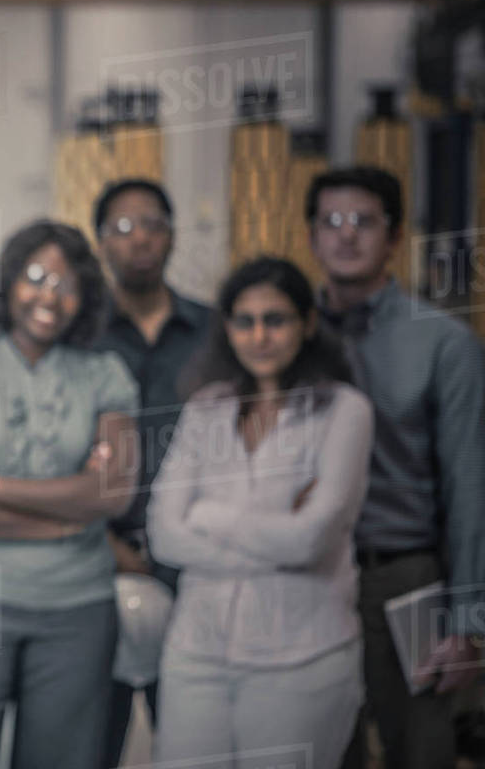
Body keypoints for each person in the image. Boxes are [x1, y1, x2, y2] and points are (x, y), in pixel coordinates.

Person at [0, 219, 140, 769]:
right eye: (36, 277)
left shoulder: (105, 374)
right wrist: (64, 516)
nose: (50, 296)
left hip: (78, 608)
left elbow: (113, 492)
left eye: (68, 285)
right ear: (10, 282)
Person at [147, 256, 373, 769]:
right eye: (244, 322)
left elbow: (310, 541)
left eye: (276, 320)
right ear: (227, 329)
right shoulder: (206, 408)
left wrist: (208, 516)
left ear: (307, 323)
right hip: (196, 652)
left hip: (301, 656)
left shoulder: (345, 411)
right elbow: (163, 534)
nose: (259, 337)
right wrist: (275, 539)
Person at [306, 166, 485, 769]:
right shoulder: (285, 335)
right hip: (309, 575)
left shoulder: (444, 343)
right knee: (323, 748)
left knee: (421, 748)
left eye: (364, 221)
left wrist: (470, 621)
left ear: (395, 236)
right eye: (331, 221)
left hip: (406, 576)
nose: (346, 234)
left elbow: (470, 485)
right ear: (311, 236)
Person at [87, 178, 213, 766]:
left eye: (153, 224)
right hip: (98, 566)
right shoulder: (80, 338)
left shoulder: (217, 332)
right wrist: (102, 541)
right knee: (93, 743)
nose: (139, 239)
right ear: (101, 243)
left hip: (198, 569)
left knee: (194, 743)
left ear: (172, 236)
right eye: (122, 227)